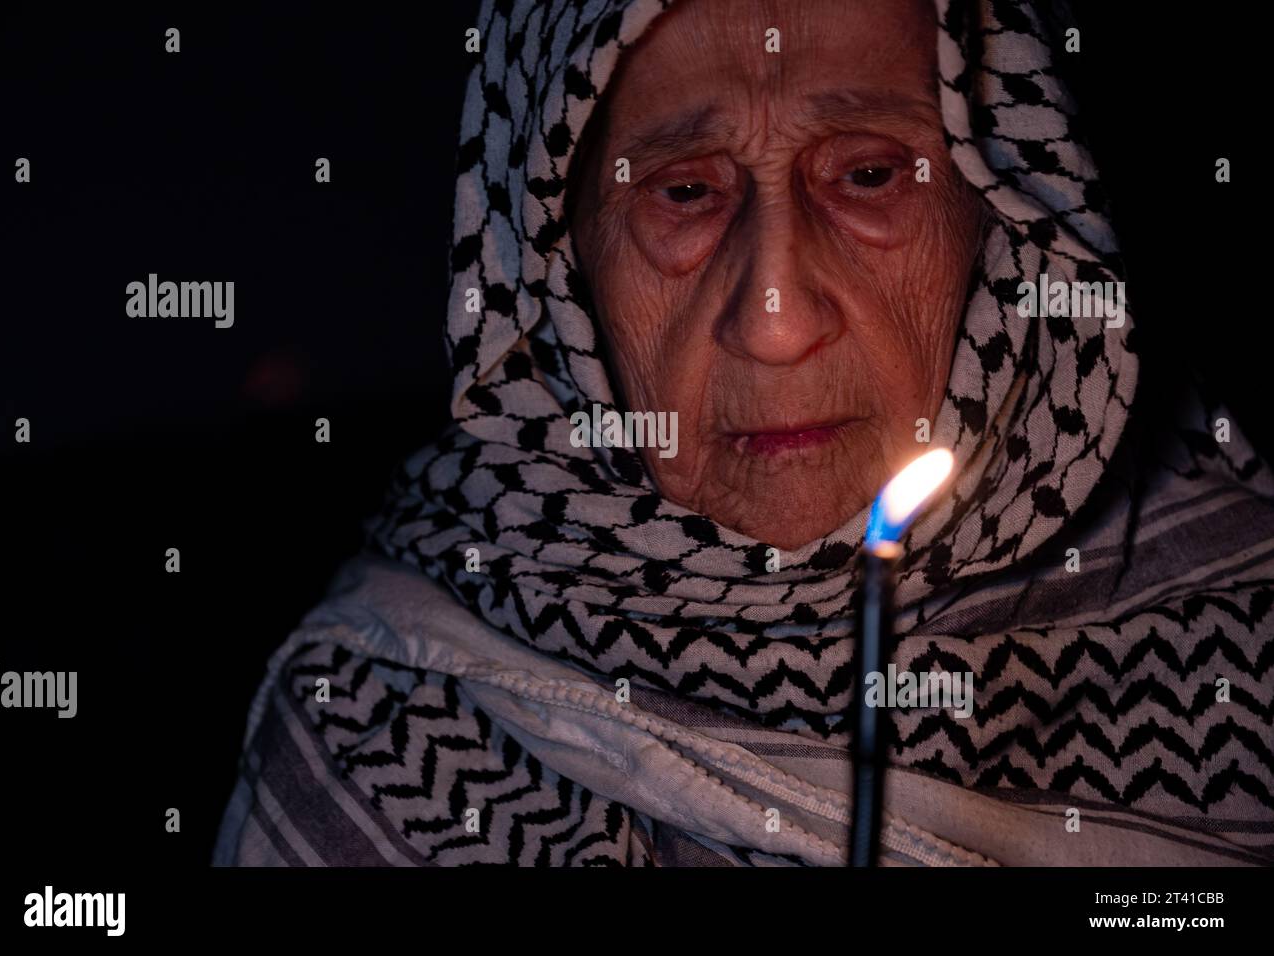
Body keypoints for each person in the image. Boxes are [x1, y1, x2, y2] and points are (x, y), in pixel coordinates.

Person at [214, 0, 1274, 866]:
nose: (773, 318)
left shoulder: (1248, 630)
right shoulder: (390, 713)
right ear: (552, 259)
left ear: (998, 210)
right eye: (684, 192)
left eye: (867, 174)